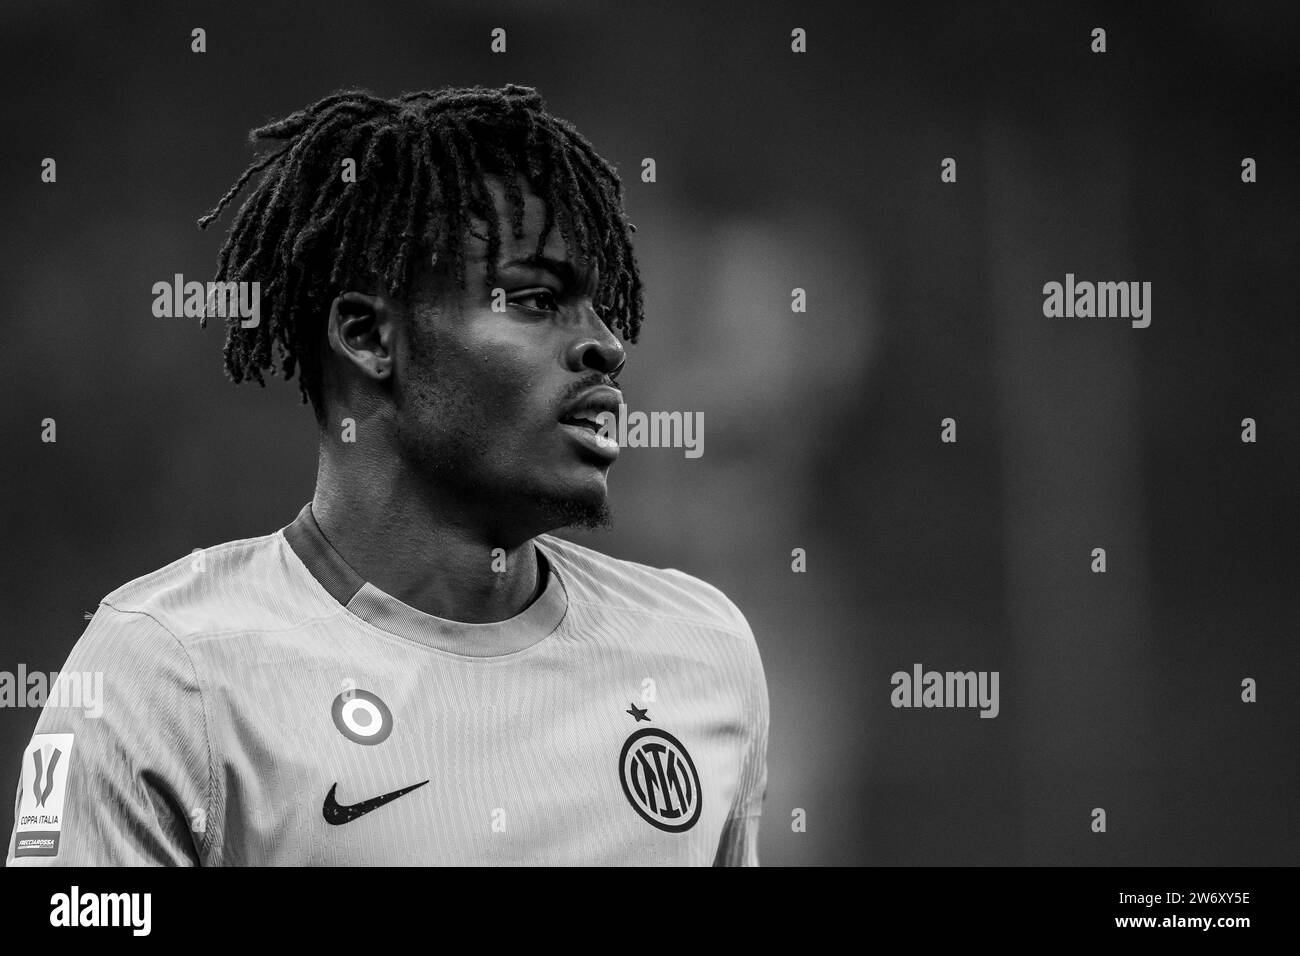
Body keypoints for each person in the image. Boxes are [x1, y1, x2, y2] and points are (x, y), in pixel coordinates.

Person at [7, 84, 769, 866]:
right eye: (538, 300)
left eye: (603, 307)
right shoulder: (169, 672)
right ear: (371, 336)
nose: (606, 346)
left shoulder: (699, 653)